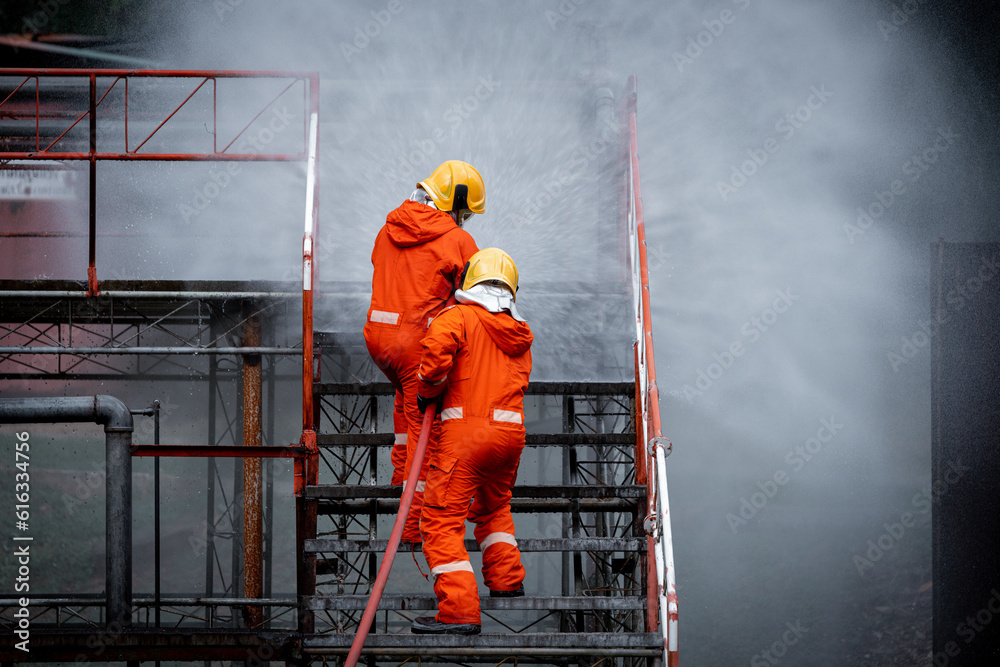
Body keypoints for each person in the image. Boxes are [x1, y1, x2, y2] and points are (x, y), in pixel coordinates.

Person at [411, 248, 533, 635]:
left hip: (467, 437)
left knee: (441, 521)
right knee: (494, 507)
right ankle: (506, 579)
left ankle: (459, 612)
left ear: (469, 281)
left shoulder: (458, 317)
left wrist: (427, 390)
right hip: (509, 438)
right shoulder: (520, 333)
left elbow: (434, 357)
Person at [363, 160, 484, 543]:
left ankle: (400, 478)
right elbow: (475, 293)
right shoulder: (456, 240)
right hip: (416, 343)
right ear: (454, 202)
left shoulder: (388, 229)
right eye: (464, 212)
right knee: (427, 436)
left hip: (379, 339)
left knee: (405, 406)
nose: (464, 220)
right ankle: (414, 525)